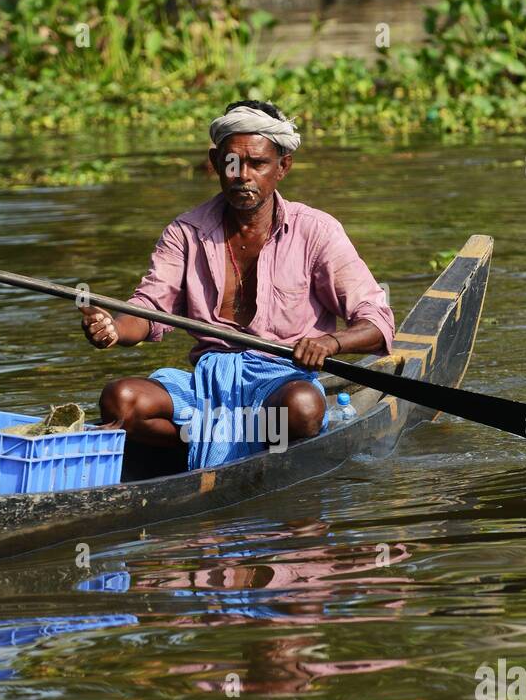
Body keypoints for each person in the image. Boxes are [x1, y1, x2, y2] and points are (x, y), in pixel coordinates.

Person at [83, 100, 394, 469]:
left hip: (280, 385)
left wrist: (330, 342)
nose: (241, 175)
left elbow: (377, 324)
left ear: (283, 167)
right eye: (231, 163)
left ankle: (216, 443)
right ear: (215, 163)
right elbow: (148, 310)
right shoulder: (185, 232)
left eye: (258, 164)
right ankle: (217, 443)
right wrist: (114, 329)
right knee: (121, 401)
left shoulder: (317, 232)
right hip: (208, 386)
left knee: (303, 408)